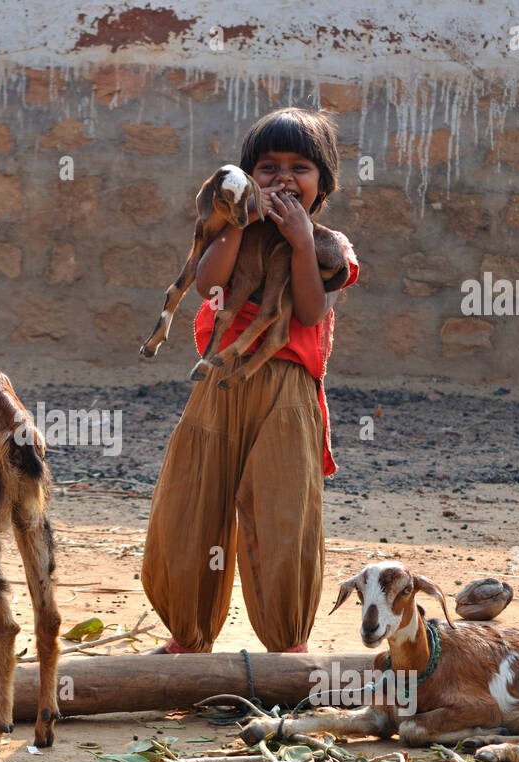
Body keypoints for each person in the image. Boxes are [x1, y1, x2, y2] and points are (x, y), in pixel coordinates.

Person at [142, 106, 360, 655]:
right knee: (191, 507)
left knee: (282, 515)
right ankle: (187, 636)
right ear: (247, 177)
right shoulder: (227, 229)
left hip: (286, 396)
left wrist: (302, 242)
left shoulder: (330, 248)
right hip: (218, 391)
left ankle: (287, 645)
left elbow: (310, 314)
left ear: (323, 183)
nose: (283, 178)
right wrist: (239, 222)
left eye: (300, 168)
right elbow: (209, 287)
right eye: (267, 167)